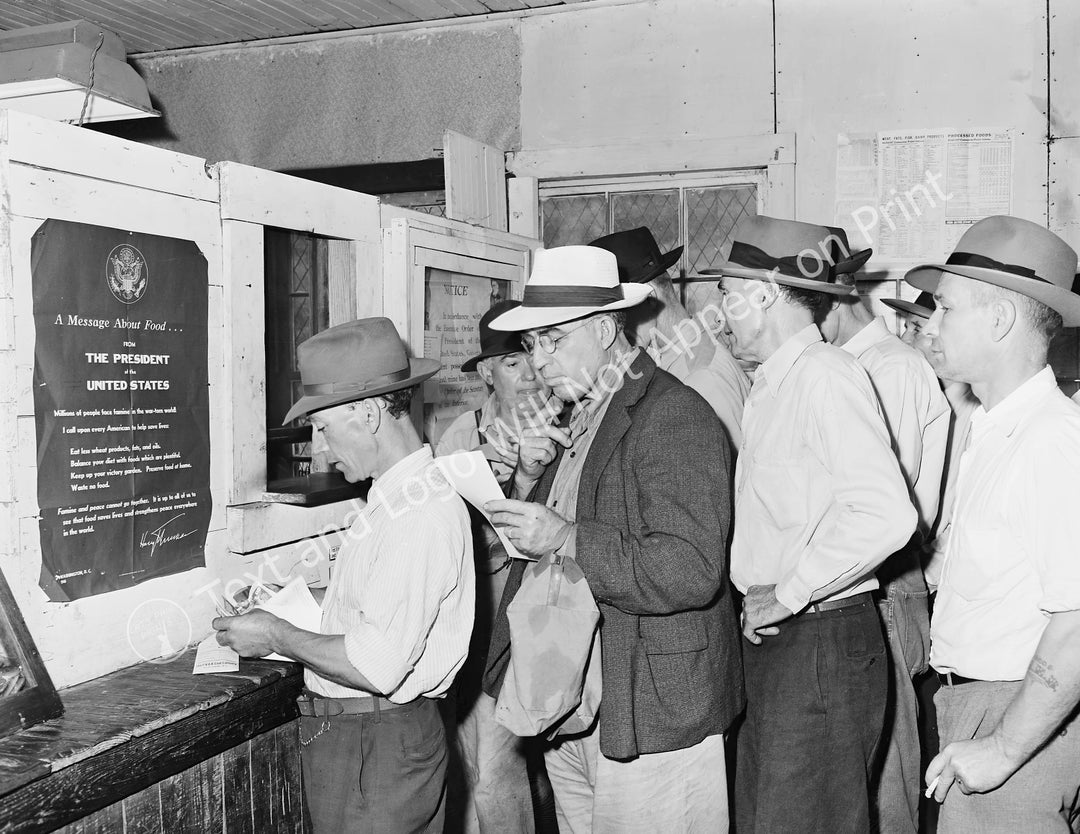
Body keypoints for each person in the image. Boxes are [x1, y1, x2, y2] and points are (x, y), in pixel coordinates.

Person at [482, 245, 744, 833]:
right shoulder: (578, 417)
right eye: (531, 345)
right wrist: (529, 480)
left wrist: (568, 535)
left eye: (554, 341)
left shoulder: (674, 414)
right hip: (575, 702)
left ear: (605, 329)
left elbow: (691, 568)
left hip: (649, 705)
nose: (540, 362)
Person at [213, 317, 475, 834]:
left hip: (374, 746)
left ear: (369, 412)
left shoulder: (416, 514)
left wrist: (275, 632)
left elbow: (375, 664)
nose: (321, 449)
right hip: (366, 742)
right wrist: (287, 596)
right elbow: (377, 601)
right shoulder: (395, 496)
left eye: (324, 428)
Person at [711, 215, 916, 834]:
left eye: (725, 291)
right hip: (784, 644)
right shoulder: (771, 385)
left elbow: (886, 513)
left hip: (820, 641)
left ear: (765, 293)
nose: (718, 310)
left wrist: (792, 590)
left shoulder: (826, 377)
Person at [913, 216, 1080, 832]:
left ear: (1001, 320)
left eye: (946, 307)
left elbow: (1078, 622)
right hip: (978, 705)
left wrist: (1005, 748)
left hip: (1016, 716)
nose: (930, 324)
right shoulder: (996, 430)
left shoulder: (1048, 443)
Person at [818, 244, 950, 834]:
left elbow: (884, 508)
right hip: (859, 583)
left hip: (886, 585)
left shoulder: (889, 367)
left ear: (835, 299)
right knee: (859, 762)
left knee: (888, 765)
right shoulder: (852, 363)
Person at [436, 300, 554, 834]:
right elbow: (446, 539)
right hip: (480, 620)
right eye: (512, 361)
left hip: (545, 618)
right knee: (481, 759)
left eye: (532, 353)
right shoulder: (462, 437)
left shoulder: (566, 421)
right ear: (486, 372)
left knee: (506, 761)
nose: (530, 373)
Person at [588, 227, 750, 446]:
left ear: (649, 298)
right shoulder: (675, 359)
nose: (615, 327)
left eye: (620, 312)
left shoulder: (701, 375)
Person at [882, 292, 979, 591]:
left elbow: (965, 515)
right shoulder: (921, 396)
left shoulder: (974, 411)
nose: (903, 338)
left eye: (914, 328)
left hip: (934, 582)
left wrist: (927, 578)